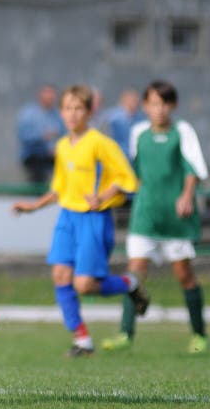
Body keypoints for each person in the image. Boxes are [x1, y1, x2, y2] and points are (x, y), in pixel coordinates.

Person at [12, 84, 149, 357]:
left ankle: (130, 284)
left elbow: (127, 178)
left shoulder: (100, 143)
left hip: (93, 220)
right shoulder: (63, 146)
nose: (72, 114)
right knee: (60, 275)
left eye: (78, 108)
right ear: (61, 112)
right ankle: (82, 340)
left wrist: (103, 195)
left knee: (85, 285)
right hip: (68, 217)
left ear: (88, 112)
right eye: (67, 108)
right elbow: (59, 188)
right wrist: (32, 207)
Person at [102, 80, 210, 354]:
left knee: (184, 274)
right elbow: (132, 172)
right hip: (145, 216)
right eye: (153, 103)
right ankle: (125, 334)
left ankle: (199, 335)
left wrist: (186, 195)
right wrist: (109, 192)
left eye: (164, 104)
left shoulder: (182, 131)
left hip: (176, 218)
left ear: (172, 105)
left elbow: (194, 168)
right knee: (135, 272)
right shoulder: (138, 132)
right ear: (145, 106)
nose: (159, 109)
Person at [16, 85, 65, 184]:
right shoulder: (29, 114)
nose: (49, 97)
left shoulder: (58, 115)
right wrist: (42, 137)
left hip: (54, 155)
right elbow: (24, 136)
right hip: (34, 155)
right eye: (46, 93)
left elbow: (64, 135)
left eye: (51, 94)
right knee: (38, 170)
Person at [103, 88, 145, 157]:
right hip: (116, 153)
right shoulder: (112, 117)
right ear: (124, 101)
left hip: (134, 155)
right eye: (132, 100)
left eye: (136, 100)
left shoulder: (140, 118)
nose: (135, 103)